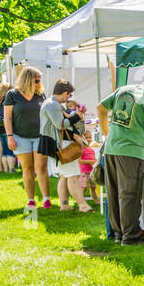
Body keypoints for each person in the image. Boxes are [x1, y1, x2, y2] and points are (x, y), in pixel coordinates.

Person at [99, 71, 144, 245]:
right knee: (129, 194)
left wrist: (107, 133)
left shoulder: (124, 89)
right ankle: (131, 237)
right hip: (130, 152)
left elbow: (100, 107)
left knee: (113, 193)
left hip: (111, 148)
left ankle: (118, 234)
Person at [39, 80, 93, 212]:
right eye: (69, 95)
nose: (69, 98)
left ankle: (64, 205)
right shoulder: (52, 105)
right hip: (59, 144)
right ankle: (83, 205)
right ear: (64, 93)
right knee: (73, 175)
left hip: (53, 143)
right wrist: (77, 116)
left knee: (65, 175)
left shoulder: (53, 103)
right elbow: (60, 124)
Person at [4, 67, 52, 209]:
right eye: (36, 80)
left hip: (40, 136)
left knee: (41, 167)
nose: (39, 83)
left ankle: (46, 199)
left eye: (39, 80)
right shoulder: (12, 95)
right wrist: (9, 136)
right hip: (20, 136)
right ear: (27, 80)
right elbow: (7, 117)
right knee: (27, 168)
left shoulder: (40, 94)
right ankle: (31, 200)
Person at [0, 82, 16, 173]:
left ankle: (6, 169)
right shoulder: (8, 101)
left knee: (4, 149)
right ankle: (11, 170)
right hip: (7, 127)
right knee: (10, 150)